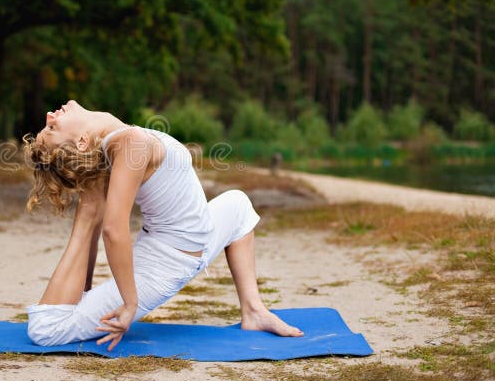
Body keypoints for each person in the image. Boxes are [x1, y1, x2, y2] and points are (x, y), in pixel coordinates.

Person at [21, 99, 303, 350]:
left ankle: (253, 310)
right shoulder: (128, 143)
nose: (49, 115)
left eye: (49, 127)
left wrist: (85, 292)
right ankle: (251, 310)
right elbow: (111, 229)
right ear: (82, 141)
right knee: (45, 330)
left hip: (199, 236)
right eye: (52, 129)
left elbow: (104, 228)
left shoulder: (121, 140)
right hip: (166, 263)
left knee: (238, 205)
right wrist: (128, 302)